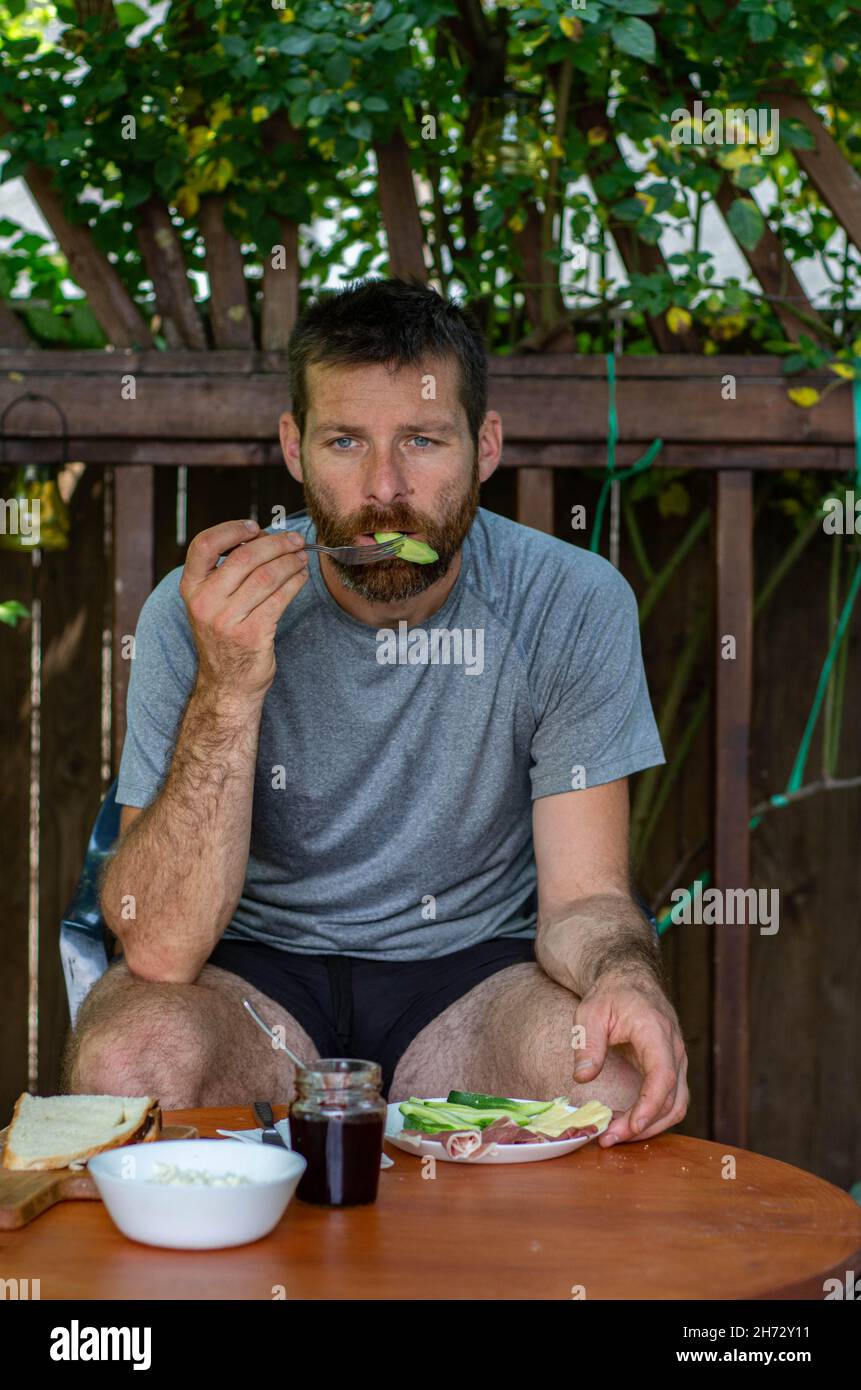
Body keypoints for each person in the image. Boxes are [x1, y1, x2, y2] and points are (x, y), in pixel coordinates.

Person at [63, 277, 688, 1147]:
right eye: (345, 441)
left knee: (610, 1077)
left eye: (422, 441)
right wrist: (230, 682)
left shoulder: (571, 601)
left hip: (470, 981)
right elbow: (159, 948)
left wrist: (626, 976)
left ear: (484, 446)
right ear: (294, 448)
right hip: (251, 984)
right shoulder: (196, 609)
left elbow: (584, 897)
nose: (383, 488)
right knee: (123, 1062)